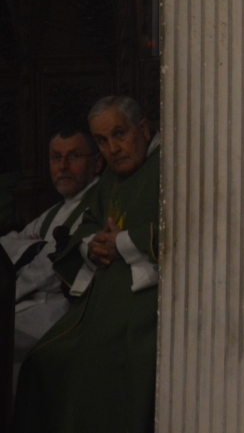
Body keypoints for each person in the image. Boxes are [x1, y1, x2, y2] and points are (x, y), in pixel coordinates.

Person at [13, 96, 160, 433]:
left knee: (83, 366)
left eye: (120, 134)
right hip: (101, 306)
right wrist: (91, 244)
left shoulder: (164, 167)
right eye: (102, 140)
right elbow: (89, 222)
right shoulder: (112, 179)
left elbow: (186, 231)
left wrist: (121, 242)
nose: (113, 148)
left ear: (143, 129)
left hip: (143, 308)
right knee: (40, 363)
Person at [0, 127, 103, 385]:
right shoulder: (55, 211)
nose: (63, 166)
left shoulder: (98, 204)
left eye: (74, 156)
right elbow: (7, 245)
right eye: (56, 157)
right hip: (30, 301)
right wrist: (32, 248)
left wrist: (31, 250)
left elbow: (52, 268)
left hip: (64, 308)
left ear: (97, 162)